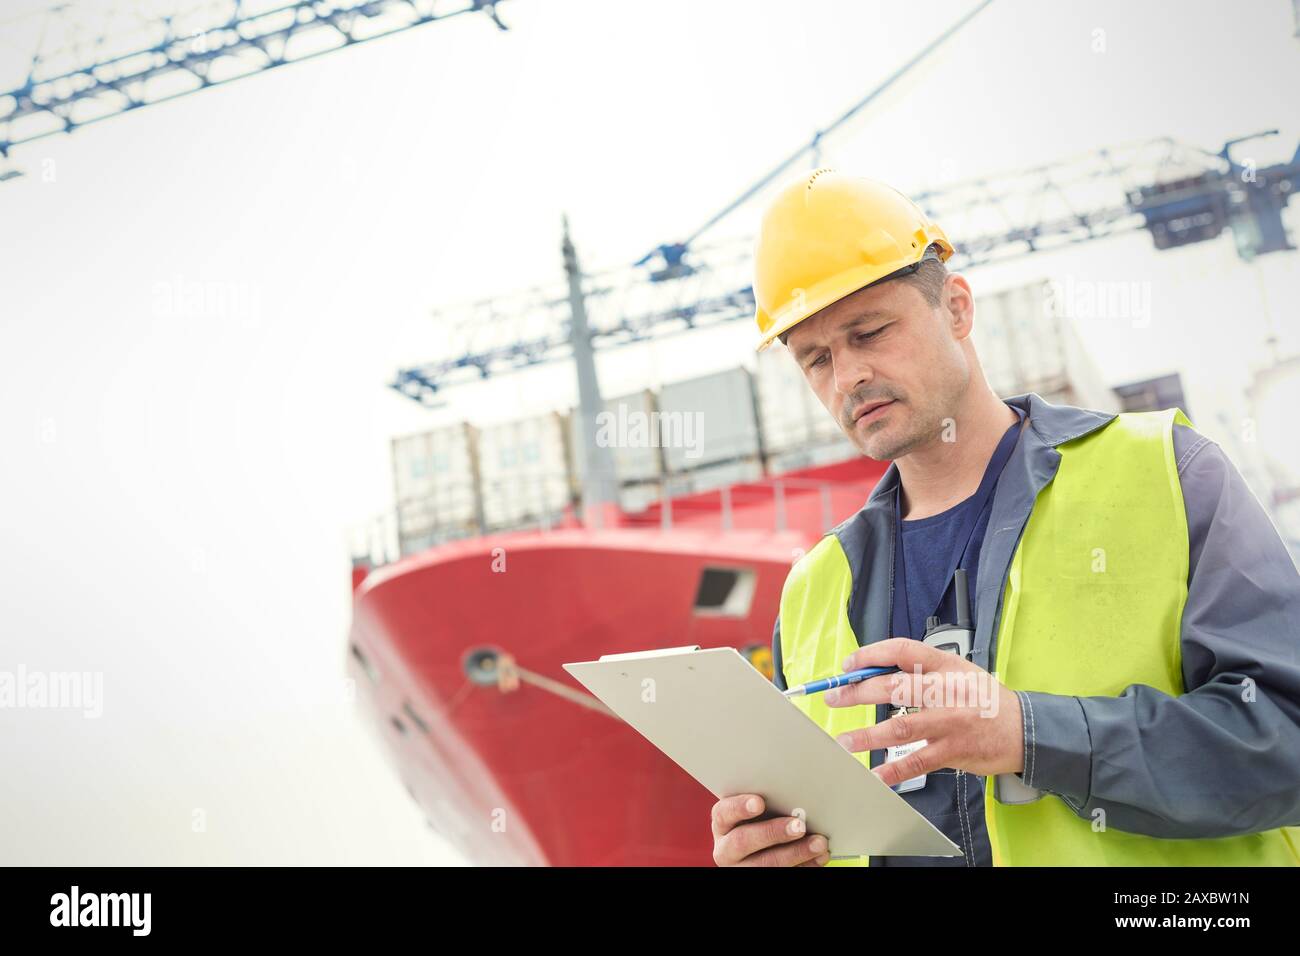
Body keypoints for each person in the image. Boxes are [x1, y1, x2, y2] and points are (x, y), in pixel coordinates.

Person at [710, 170, 1300, 867]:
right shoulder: (812, 592)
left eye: (869, 333)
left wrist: (1031, 735)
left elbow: (1285, 735)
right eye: (817, 360)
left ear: (956, 308)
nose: (847, 378)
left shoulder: (1164, 474)